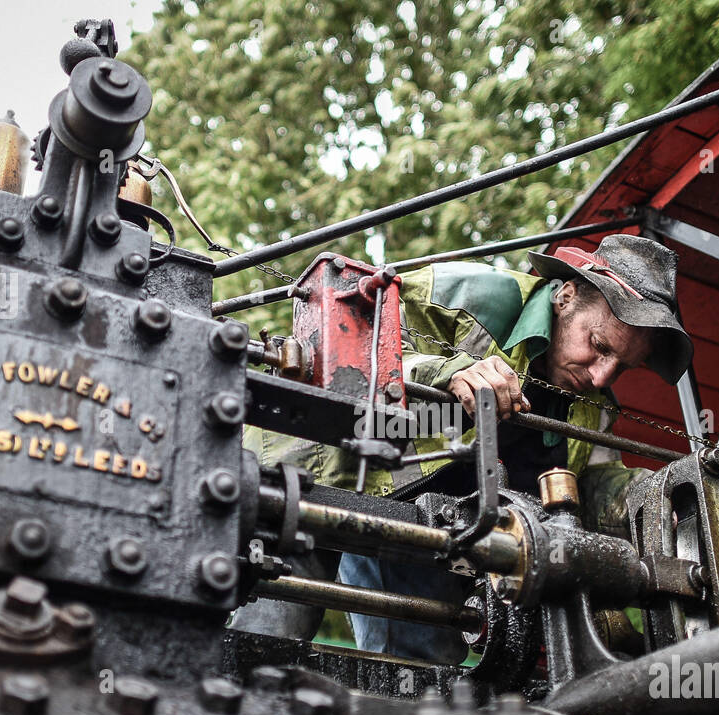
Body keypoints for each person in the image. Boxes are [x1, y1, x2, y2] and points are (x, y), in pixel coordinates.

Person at [238, 234, 694, 663]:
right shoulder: (471, 295)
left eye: (622, 367)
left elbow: (590, 483)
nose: (601, 376)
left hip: (425, 522)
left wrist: (651, 497)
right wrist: (449, 373)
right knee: (268, 636)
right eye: (598, 346)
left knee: (429, 674)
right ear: (566, 296)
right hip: (319, 469)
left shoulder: (593, 407)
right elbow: (353, 342)